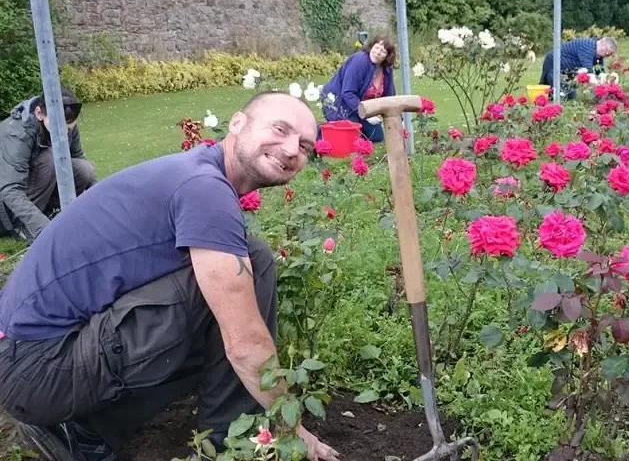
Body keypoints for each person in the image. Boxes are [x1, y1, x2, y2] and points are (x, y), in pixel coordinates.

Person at [0, 91, 340, 461]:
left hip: (31, 360)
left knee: (239, 274)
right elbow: (244, 343)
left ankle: (87, 429)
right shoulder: (205, 189)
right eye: (280, 129)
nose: (291, 150)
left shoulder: (195, 171)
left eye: (305, 146)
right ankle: (223, 446)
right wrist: (291, 428)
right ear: (238, 123)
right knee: (248, 276)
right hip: (38, 368)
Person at [0, 87, 97, 243]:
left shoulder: (66, 122)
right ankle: (24, 226)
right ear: (39, 113)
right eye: (58, 127)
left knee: (84, 168)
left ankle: (53, 213)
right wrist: (44, 229)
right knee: (51, 158)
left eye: (68, 127)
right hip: (6, 210)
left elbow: (79, 161)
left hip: (35, 188)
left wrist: (101, 200)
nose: (64, 132)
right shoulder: (17, 134)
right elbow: (10, 190)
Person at [321, 36, 396, 143]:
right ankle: (324, 132)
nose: (378, 52)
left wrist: (397, 118)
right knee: (352, 138)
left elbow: (390, 96)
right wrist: (366, 113)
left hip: (362, 107)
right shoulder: (359, 61)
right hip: (340, 103)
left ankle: (358, 128)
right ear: (371, 47)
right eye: (376, 47)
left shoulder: (387, 69)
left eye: (383, 51)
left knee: (377, 136)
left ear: (388, 56)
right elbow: (348, 93)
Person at [539, 36, 618, 98]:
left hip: (566, 69)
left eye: (609, 54)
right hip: (554, 62)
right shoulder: (588, 46)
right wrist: (598, 85)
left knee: (569, 94)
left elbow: (599, 72)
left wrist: (607, 80)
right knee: (554, 91)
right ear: (602, 42)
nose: (606, 54)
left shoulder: (598, 55)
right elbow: (589, 71)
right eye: (606, 50)